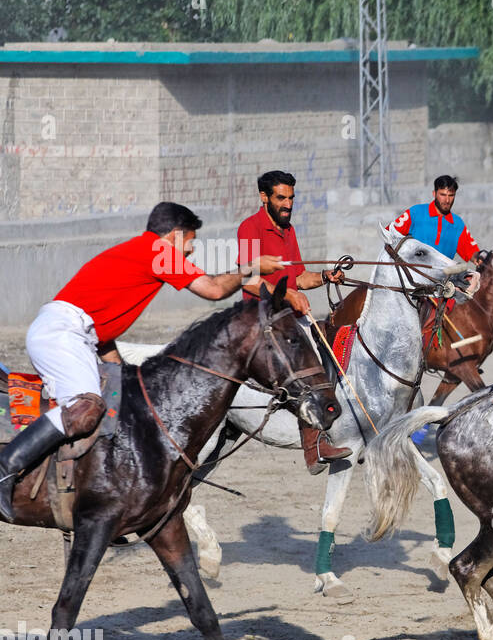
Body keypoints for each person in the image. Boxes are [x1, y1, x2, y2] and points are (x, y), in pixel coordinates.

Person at [0, 201, 289, 521]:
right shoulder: (157, 250)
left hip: (76, 335)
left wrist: (123, 375)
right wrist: (251, 267)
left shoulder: (141, 252)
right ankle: (6, 468)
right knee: (87, 408)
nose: (191, 253)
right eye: (190, 243)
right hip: (62, 333)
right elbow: (213, 289)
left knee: (119, 404)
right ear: (176, 236)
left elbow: (103, 337)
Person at [237, 170, 350, 472]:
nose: (288, 204)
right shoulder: (250, 228)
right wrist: (288, 297)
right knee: (308, 367)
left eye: (291, 198)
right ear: (264, 197)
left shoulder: (290, 230)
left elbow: (298, 277)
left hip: (288, 317)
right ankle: (314, 449)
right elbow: (248, 280)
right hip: (264, 318)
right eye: (281, 198)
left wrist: (326, 276)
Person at [387, 174, 489, 267]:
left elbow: (473, 253)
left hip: (442, 282)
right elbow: (389, 234)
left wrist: (481, 256)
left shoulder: (457, 224)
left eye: (451, 195)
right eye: (443, 195)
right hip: (413, 281)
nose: (447, 200)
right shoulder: (415, 213)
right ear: (434, 193)